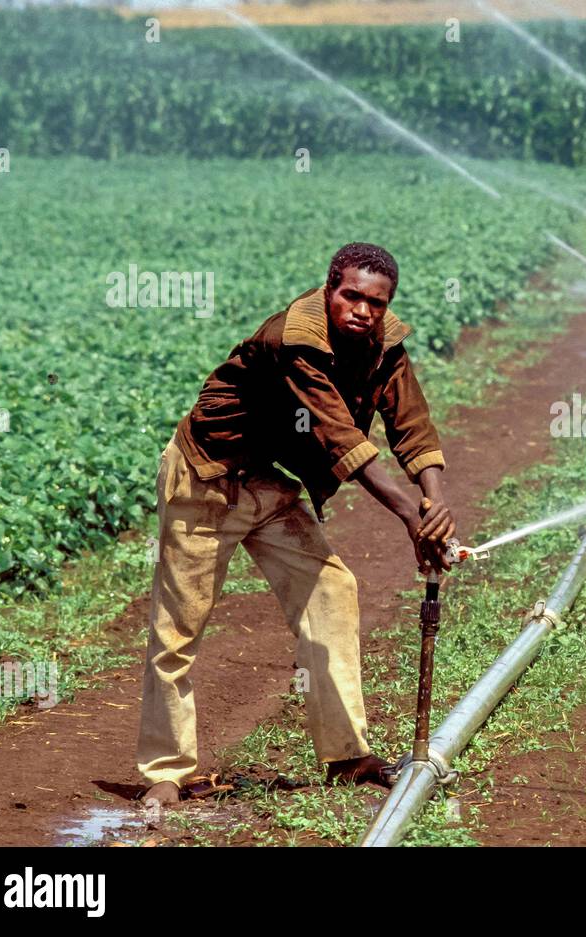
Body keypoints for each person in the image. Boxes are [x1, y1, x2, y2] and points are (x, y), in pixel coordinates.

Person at [138, 242, 456, 807]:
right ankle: (167, 771)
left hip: (263, 480)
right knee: (178, 630)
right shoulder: (295, 342)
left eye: (376, 303)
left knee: (332, 589)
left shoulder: (384, 348)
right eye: (351, 296)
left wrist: (435, 508)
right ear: (329, 289)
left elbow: (412, 427)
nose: (362, 310)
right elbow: (343, 441)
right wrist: (412, 517)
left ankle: (346, 756)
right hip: (205, 477)